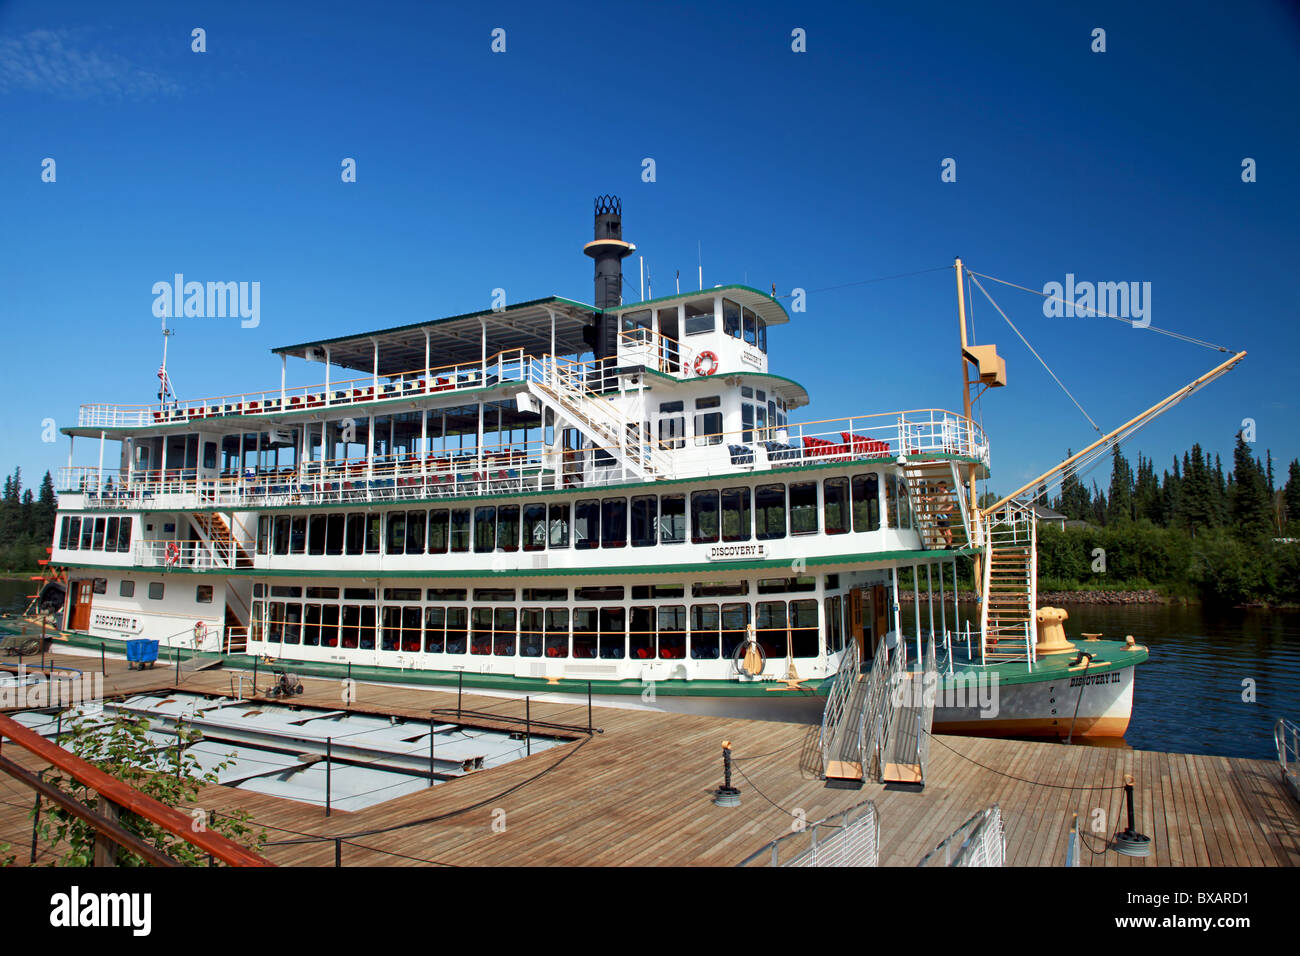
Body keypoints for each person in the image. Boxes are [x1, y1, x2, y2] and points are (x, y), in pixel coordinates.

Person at [930, 481, 954, 548]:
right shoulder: (938, 493)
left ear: (943, 487)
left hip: (945, 514)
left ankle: (949, 544)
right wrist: (925, 498)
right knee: (940, 529)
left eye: (939, 487)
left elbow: (951, 505)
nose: (938, 488)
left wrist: (946, 511)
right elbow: (932, 499)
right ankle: (947, 543)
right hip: (939, 514)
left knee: (947, 529)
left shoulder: (947, 494)